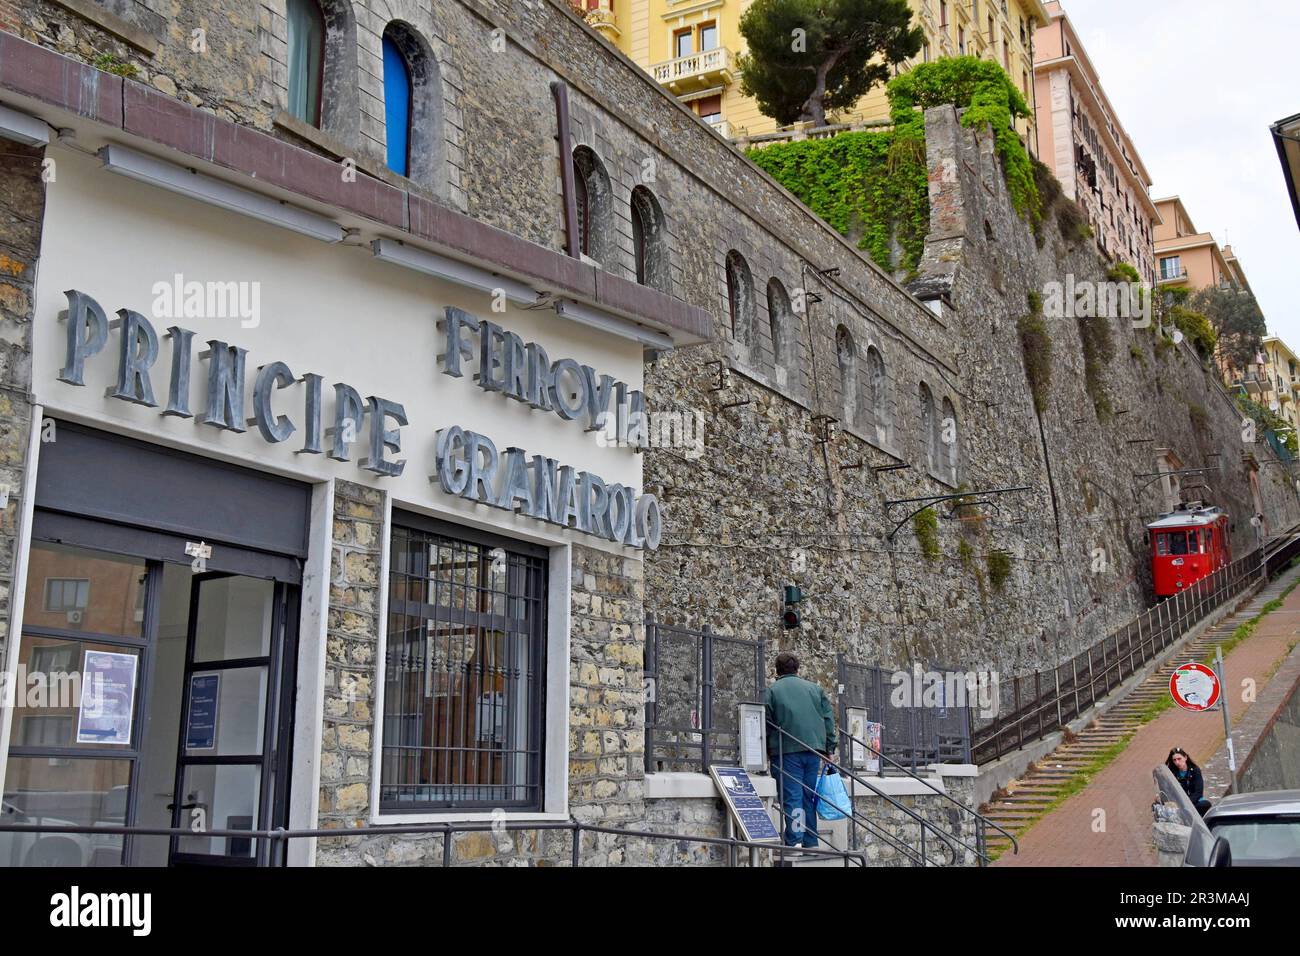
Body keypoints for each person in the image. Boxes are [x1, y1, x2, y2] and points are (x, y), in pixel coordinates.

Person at [764, 652, 838, 849]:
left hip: (787, 750)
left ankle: (795, 840)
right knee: (808, 795)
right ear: (798, 669)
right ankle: (811, 841)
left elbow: (766, 721)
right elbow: (828, 719)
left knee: (792, 796)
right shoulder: (815, 689)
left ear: (776, 671)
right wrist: (830, 748)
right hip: (814, 750)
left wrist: (768, 749)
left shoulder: (772, 691)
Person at [1166, 747, 1211, 816]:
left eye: (1179, 759)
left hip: (1194, 802)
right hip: (1179, 803)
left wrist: (1187, 803)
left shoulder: (1195, 770)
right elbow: (1168, 789)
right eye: (1174, 760)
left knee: (1205, 804)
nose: (1177, 762)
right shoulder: (1172, 773)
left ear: (1185, 757)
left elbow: (1199, 792)